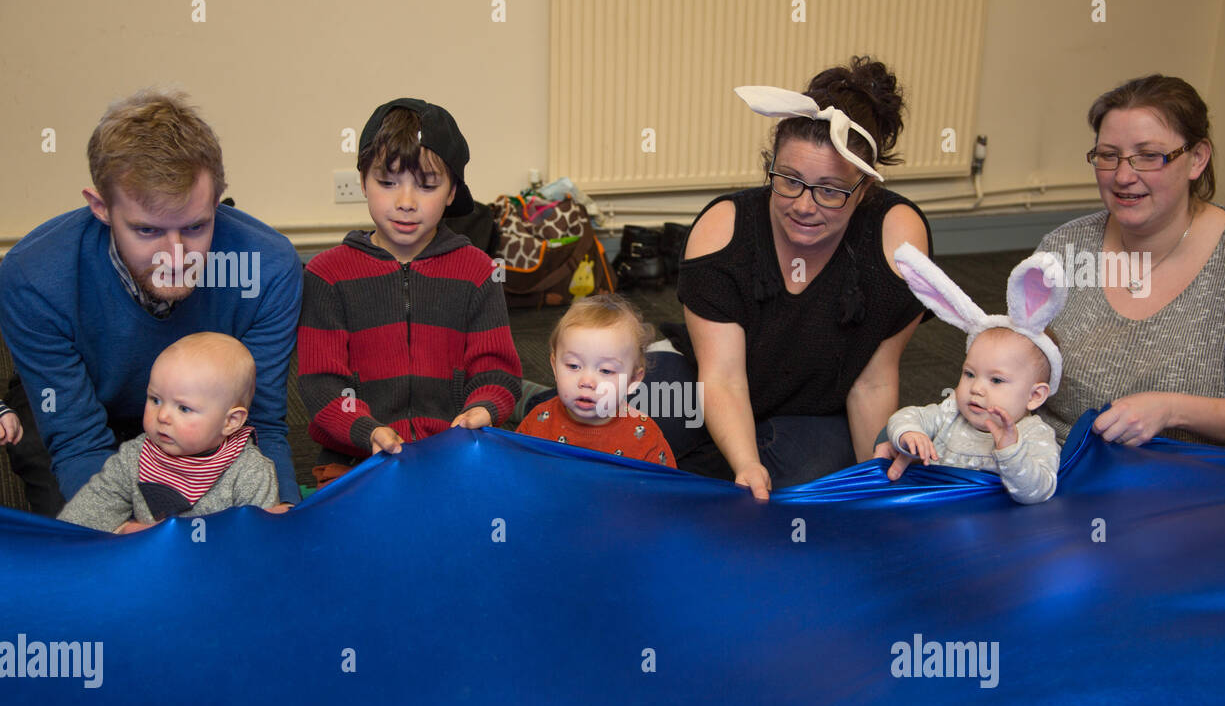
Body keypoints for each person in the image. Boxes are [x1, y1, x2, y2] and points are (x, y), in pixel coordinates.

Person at [0, 90, 302, 516]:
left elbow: (261, 420)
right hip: (77, 400)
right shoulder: (32, 276)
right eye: (147, 231)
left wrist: (282, 510)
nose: (175, 256)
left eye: (196, 226)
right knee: (79, 545)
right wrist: (124, 534)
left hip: (204, 410)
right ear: (100, 207)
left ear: (217, 198)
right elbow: (75, 438)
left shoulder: (268, 267)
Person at [654, 56, 931, 499]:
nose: (804, 205)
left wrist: (878, 496)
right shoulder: (723, 230)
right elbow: (722, 377)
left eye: (830, 190)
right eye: (789, 180)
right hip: (705, 381)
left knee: (809, 482)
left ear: (865, 189)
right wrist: (746, 464)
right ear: (771, 165)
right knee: (619, 416)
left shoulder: (896, 241)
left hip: (815, 410)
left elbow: (872, 382)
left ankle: (688, 479)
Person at [1035, 74, 1225, 448]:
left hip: (1183, 485)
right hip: (1054, 469)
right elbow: (1012, 366)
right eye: (1109, 156)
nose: (1124, 176)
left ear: (1197, 159)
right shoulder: (1063, 248)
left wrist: (1173, 410)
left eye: (1148, 156)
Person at [297, 98, 521, 486]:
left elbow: (496, 370)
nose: (405, 203)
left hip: (453, 457)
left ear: (452, 193)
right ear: (363, 182)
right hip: (355, 464)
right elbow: (322, 384)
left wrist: (482, 409)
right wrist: (366, 429)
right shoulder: (327, 275)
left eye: (428, 185)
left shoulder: (479, 272)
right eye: (387, 183)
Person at [883, 245, 1069, 505]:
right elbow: (907, 416)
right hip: (939, 515)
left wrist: (1010, 451)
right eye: (970, 374)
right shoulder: (952, 413)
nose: (977, 389)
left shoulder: (1033, 435)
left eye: (996, 380)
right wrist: (909, 434)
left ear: (1035, 395)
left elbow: (1039, 492)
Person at [57, 334, 278, 533]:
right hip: (150, 567)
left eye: (183, 408)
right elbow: (86, 513)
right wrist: (122, 531)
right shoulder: (135, 456)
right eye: (155, 400)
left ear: (230, 421)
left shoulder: (250, 472)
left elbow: (260, 543)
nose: (162, 416)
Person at [517, 295, 675, 467]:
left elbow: (665, 490)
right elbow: (514, 473)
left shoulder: (645, 438)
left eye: (606, 370)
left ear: (633, 380)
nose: (587, 381)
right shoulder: (538, 422)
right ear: (554, 367)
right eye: (573, 365)